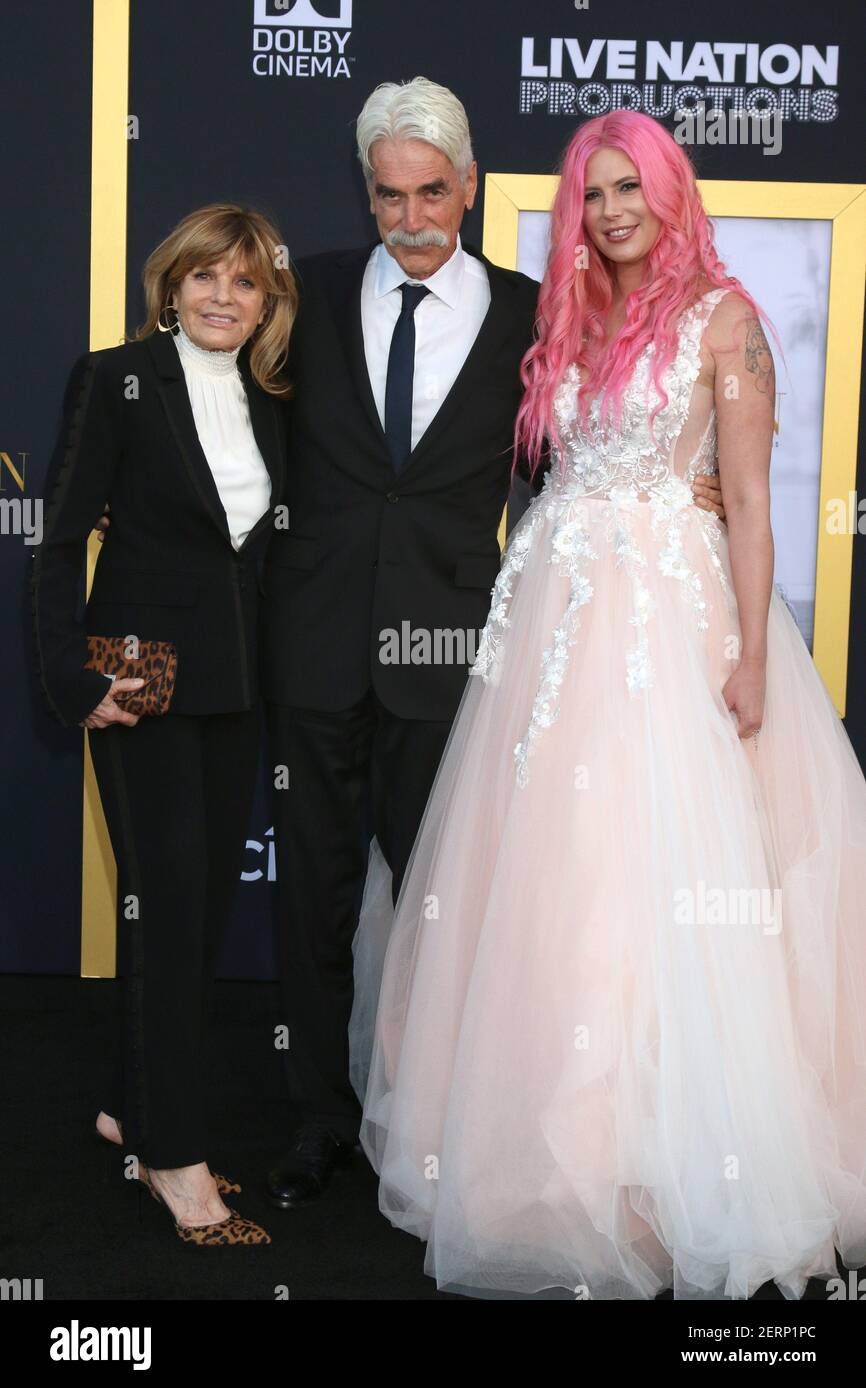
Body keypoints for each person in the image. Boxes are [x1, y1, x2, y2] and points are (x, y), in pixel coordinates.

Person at [356, 110, 866, 1300]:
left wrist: (745, 654)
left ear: (671, 191)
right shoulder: (568, 319)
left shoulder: (726, 323)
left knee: (666, 878)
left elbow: (747, 502)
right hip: (549, 627)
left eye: (631, 188)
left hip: (672, 626)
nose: (612, 211)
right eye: (591, 194)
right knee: (559, 878)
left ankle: (674, 1170)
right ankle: (552, 1162)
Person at [262, 77, 730, 1210]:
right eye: (388, 196)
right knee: (314, 896)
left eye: (432, 192)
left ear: (469, 187)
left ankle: (431, 1127)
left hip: (461, 654)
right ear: (365, 193)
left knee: (455, 909)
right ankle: (322, 1119)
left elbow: (570, 454)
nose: (411, 216)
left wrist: (679, 490)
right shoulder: (306, 295)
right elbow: (233, 424)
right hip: (318, 642)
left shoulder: (539, 311)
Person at [33, 203, 296, 1244]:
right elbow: (57, 543)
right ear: (170, 286)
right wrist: (69, 674)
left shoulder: (275, 397)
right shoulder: (117, 380)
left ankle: (135, 1112)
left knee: (191, 916)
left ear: (266, 298)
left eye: (244, 281)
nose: (223, 297)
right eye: (204, 279)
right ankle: (175, 1159)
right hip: (135, 678)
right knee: (166, 907)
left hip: (234, 686)